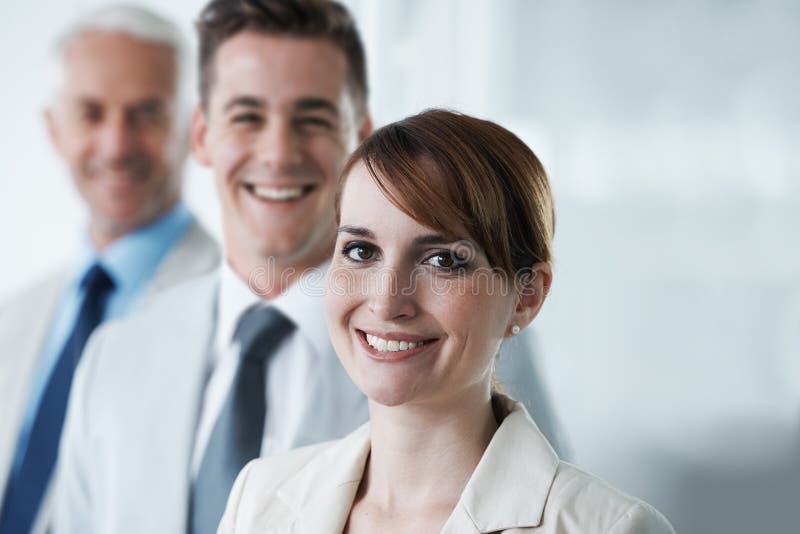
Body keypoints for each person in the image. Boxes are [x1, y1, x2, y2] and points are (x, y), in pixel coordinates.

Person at [55, 2, 565, 533]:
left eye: (313, 119)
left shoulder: (470, 341)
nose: (278, 153)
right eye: (247, 117)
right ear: (202, 135)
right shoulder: (115, 357)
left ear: (359, 139)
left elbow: (544, 512)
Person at [218, 109, 675, 534]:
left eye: (442, 260)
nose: (386, 301)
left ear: (526, 296)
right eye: (361, 251)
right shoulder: (260, 500)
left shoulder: (610, 528)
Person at [0, 6, 219, 533]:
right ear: (54, 129)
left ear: (195, 129)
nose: (117, 145)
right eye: (92, 113)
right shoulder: (16, 316)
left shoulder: (233, 310)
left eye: (146, 113)